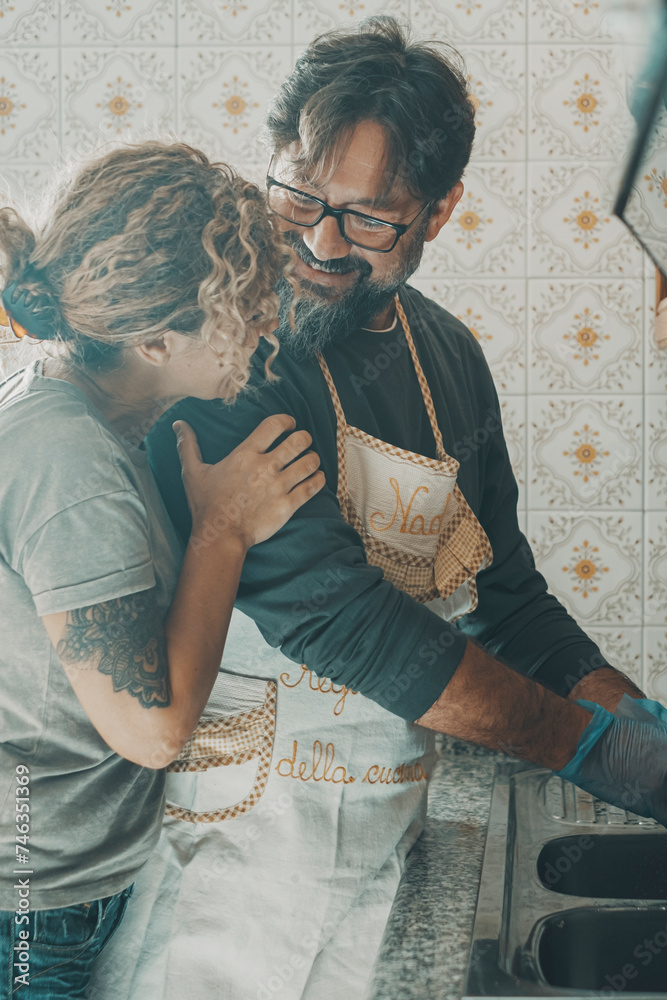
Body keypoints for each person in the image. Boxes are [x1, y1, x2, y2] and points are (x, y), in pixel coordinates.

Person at [93, 18, 667, 1000]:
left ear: (437, 213)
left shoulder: (447, 353)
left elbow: (508, 599)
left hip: (390, 834)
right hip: (234, 863)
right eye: (300, 197)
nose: (320, 242)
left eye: (367, 218)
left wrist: (637, 721)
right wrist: (599, 754)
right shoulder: (217, 354)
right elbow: (348, 622)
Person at [0, 140, 325, 998]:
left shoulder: (71, 412)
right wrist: (225, 526)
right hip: (32, 905)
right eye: (242, 307)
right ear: (152, 340)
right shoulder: (69, 463)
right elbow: (150, 731)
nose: (267, 324)